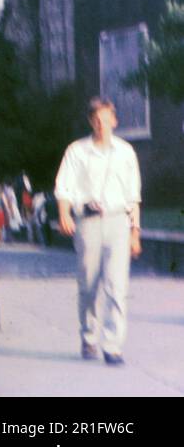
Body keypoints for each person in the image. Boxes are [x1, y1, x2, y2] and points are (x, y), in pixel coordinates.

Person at [55, 97, 143, 366]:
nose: (101, 125)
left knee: (117, 287)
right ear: (90, 122)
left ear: (114, 121)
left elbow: (133, 195)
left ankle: (113, 345)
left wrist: (135, 233)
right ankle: (89, 337)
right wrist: (64, 214)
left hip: (118, 222)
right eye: (96, 120)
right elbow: (64, 186)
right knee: (89, 286)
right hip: (88, 224)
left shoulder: (126, 152)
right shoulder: (77, 151)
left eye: (106, 120)